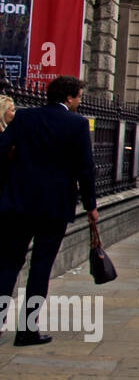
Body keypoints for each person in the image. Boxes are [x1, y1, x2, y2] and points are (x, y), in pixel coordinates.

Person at [0, 75, 98, 345]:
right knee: (40, 267)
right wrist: (90, 205)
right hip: (54, 208)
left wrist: (11, 181)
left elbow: (2, 148)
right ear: (69, 97)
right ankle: (27, 330)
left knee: (8, 264)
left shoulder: (24, 117)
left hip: (18, 204)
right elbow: (86, 170)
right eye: (79, 96)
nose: (80, 101)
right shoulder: (77, 125)